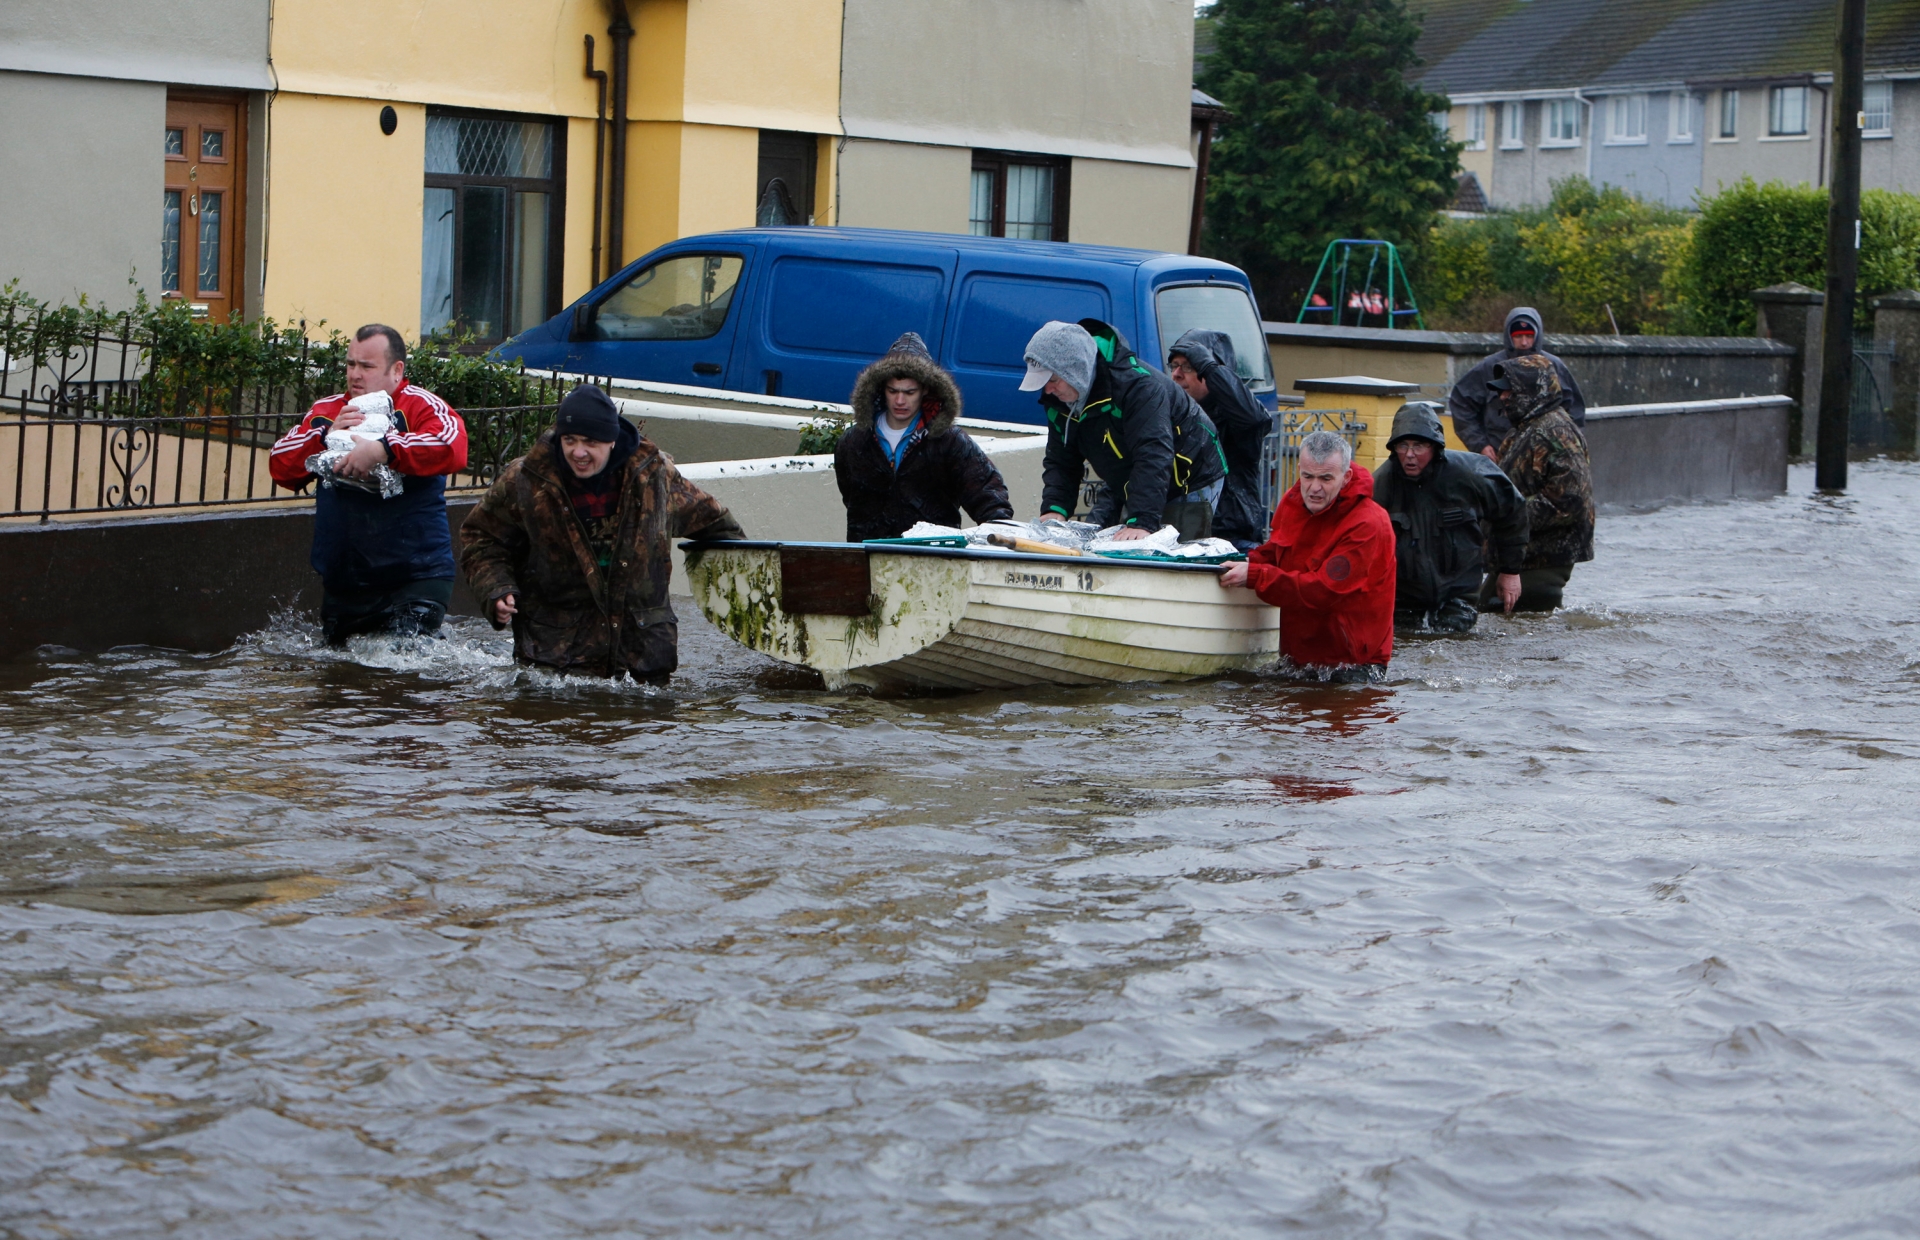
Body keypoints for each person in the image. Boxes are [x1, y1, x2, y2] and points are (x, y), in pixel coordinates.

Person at [458, 385, 746, 681]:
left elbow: (714, 524)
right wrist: (496, 590)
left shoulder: (653, 475)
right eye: (569, 440)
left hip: (642, 655)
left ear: (612, 441)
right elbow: (481, 538)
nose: (578, 452)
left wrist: (751, 581)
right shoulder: (527, 480)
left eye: (589, 442)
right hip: (554, 658)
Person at [269, 323, 469, 644]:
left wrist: (383, 450)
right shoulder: (327, 412)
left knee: (399, 675)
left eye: (366, 366)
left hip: (414, 578)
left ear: (396, 370)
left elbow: (452, 446)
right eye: (350, 364)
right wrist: (325, 437)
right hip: (346, 584)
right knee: (342, 684)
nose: (355, 375)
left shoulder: (419, 405)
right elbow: (280, 465)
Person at [1023, 318, 1226, 542]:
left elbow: (1153, 452)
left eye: (1053, 379)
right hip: (1133, 474)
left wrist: (1142, 521)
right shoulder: (1059, 401)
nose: (1048, 389)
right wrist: (1055, 509)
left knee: (1173, 549)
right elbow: (1061, 460)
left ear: (1076, 370)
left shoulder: (1138, 387)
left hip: (1191, 472)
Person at [1220, 430, 1394, 677]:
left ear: (1346, 478)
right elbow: (1275, 552)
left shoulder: (1368, 524)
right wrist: (1241, 561)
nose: (1314, 488)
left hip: (1353, 665)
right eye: (1307, 476)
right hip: (1300, 658)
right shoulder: (1293, 501)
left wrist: (1257, 576)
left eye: (1325, 479)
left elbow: (1326, 591)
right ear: (1299, 469)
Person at [835, 332, 1012, 540]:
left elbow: (990, 500)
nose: (900, 400)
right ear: (882, 388)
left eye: (909, 392)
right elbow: (850, 497)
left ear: (925, 390)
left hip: (933, 560)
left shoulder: (950, 441)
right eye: (893, 391)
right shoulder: (852, 442)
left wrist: (997, 542)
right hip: (869, 558)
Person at [1372, 401, 1529, 632]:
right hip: (1402, 600)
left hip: (1458, 594)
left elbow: (1512, 511)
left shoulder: (1472, 473)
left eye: (1419, 446)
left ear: (1435, 446)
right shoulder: (1380, 485)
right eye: (1402, 446)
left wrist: (1510, 571)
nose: (1409, 455)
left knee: (1455, 645)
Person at [1476, 355, 1595, 612]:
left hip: (1541, 559)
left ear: (1530, 389)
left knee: (1502, 622)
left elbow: (1571, 501)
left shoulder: (1556, 432)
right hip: (1518, 556)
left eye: (1509, 389)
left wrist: (1510, 515)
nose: (1503, 396)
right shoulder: (1524, 429)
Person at [1167, 329, 1275, 550]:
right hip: (1173, 536)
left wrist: (1208, 366)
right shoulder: (1168, 415)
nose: (1177, 374)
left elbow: (1256, 420)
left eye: (1188, 366)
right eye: (1174, 365)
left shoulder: (1236, 422)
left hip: (1230, 541)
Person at [1448, 307, 1587, 462]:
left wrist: (1566, 448)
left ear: (1538, 335)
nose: (1524, 342)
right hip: (1499, 457)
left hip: (1544, 458)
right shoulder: (1490, 367)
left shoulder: (1553, 366)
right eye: (1518, 336)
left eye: (1529, 336)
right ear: (1509, 337)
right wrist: (1479, 444)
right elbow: (1461, 403)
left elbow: (1574, 412)